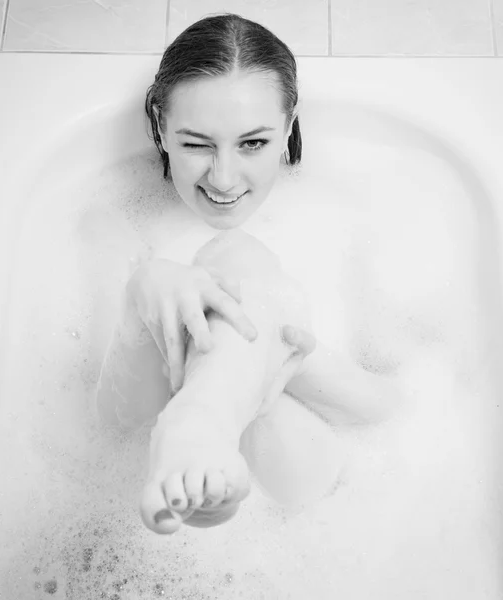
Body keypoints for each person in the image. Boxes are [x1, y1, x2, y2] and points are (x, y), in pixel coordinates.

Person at [96, 13, 399, 535]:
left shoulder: (354, 228)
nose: (224, 178)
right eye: (196, 143)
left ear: (288, 124)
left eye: (253, 143)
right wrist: (139, 298)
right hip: (212, 519)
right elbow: (108, 429)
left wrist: (294, 361)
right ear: (160, 124)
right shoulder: (114, 229)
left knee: (234, 255)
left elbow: (395, 407)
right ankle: (200, 427)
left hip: (337, 504)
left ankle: (195, 427)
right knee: (224, 264)